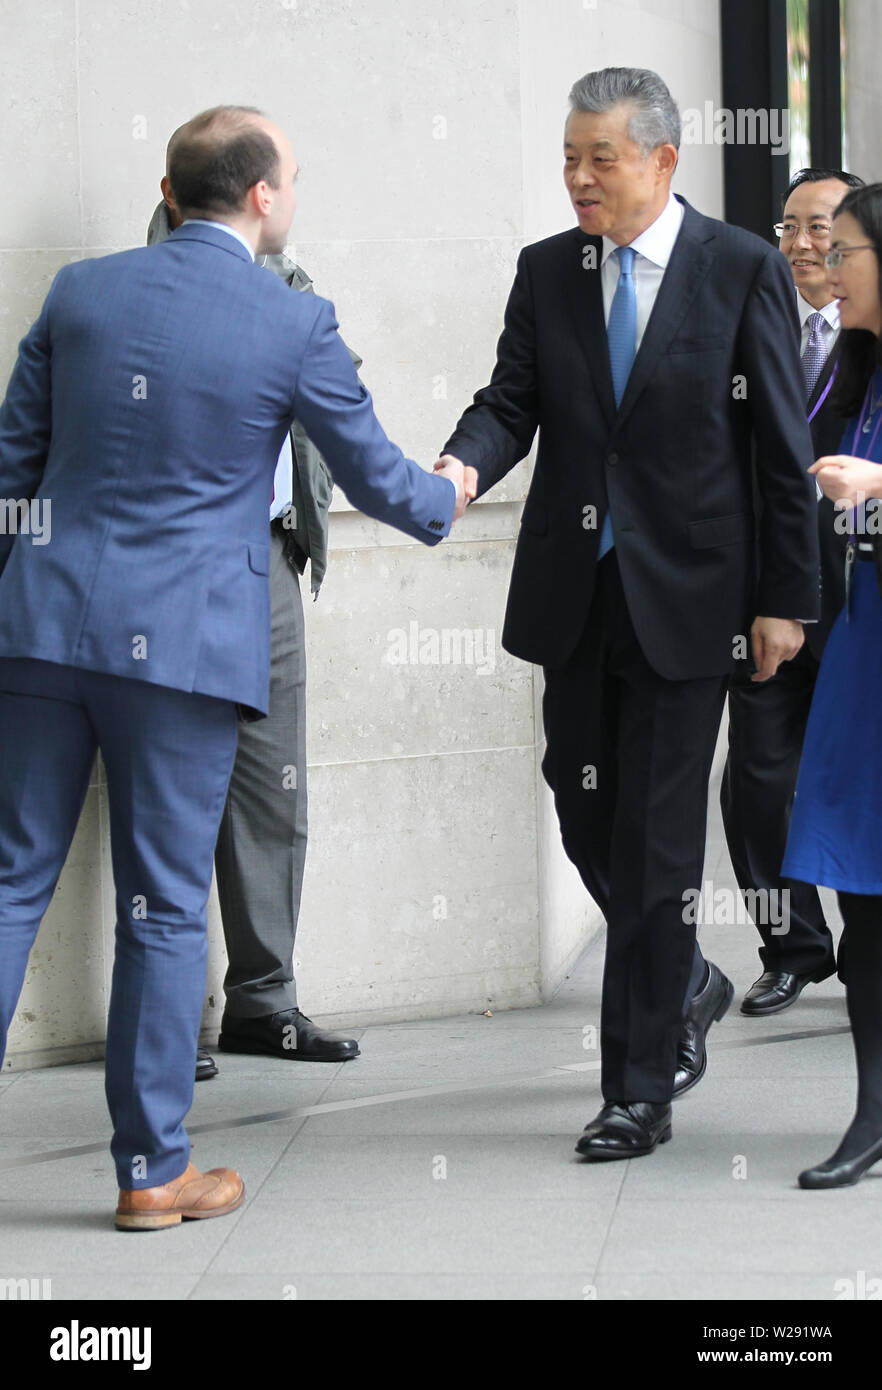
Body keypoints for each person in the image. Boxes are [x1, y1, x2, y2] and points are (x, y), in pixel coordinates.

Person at [0, 105, 470, 1229]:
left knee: (12, 878)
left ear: (170, 189)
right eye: (293, 179)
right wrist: (448, 495)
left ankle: (155, 1163)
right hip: (184, 653)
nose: (294, 196)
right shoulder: (291, 319)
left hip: (39, 627)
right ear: (262, 197)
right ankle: (152, 1173)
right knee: (162, 909)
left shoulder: (79, 292)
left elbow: (12, 465)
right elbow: (377, 478)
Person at [436, 67, 819, 1161]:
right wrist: (461, 467)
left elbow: (782, 451)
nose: (579, 178)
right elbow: (513, 399)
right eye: (568, 156)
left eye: (601, 157)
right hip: (576, 597)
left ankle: (636, 1089)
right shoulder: (550, 271)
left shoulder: (738, 267)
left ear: (663, 158)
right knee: (581, 806)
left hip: (695, 602)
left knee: (656, 852)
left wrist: (785, 601)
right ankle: (684, 980)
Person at [147, 157, 361, 1082]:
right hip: (182, 568)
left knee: (274, 788)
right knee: (176, 791)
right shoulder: (154, 291)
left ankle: (263, 1001)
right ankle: (169, 1024)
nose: (292, 201)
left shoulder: (289, 283)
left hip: (270, 558)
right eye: (285, 181)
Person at [721, 168, 863, 1017]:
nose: (803, 244)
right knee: (757, 782)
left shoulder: (871, 332)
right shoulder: (752, 320)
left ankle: (867, 945)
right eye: (790, 227)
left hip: (858, 602)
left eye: (822, 229)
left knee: (859, 779)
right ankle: (794, 947)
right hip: (769, 597)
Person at [781, 182, 882, 1188]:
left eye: (846, 250)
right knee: (865, 896)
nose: (826, 264)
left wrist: (878, 493)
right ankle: (873, 1111)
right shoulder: (857, 372)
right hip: (863, 663)